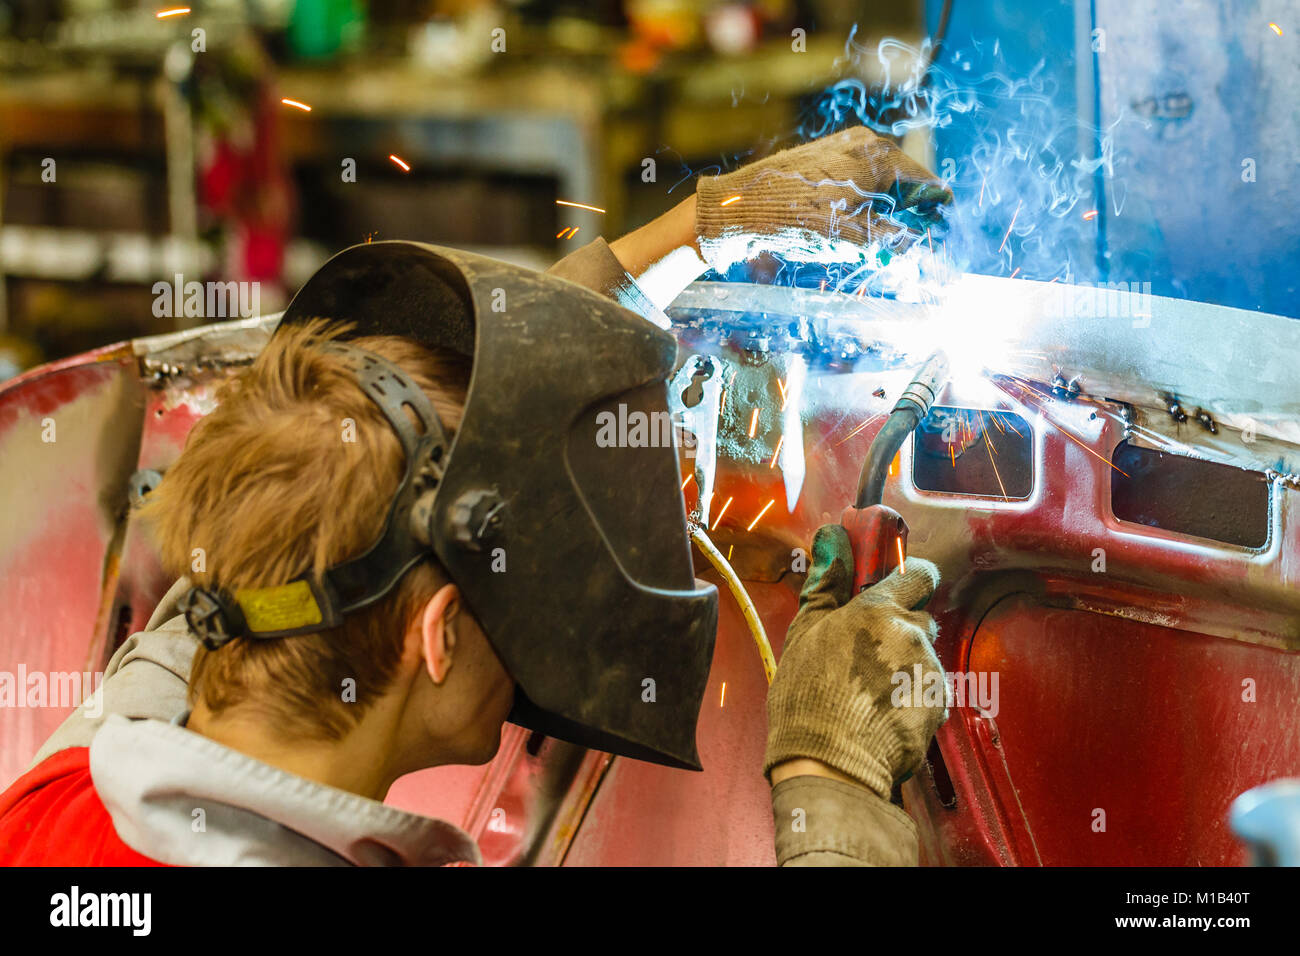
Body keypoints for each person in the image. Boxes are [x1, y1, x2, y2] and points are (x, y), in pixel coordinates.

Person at [0, 126, 950, 866]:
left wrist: (714, 222)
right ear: (440, 633)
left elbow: (330, 472)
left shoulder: (70, 789)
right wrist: (835, 778)